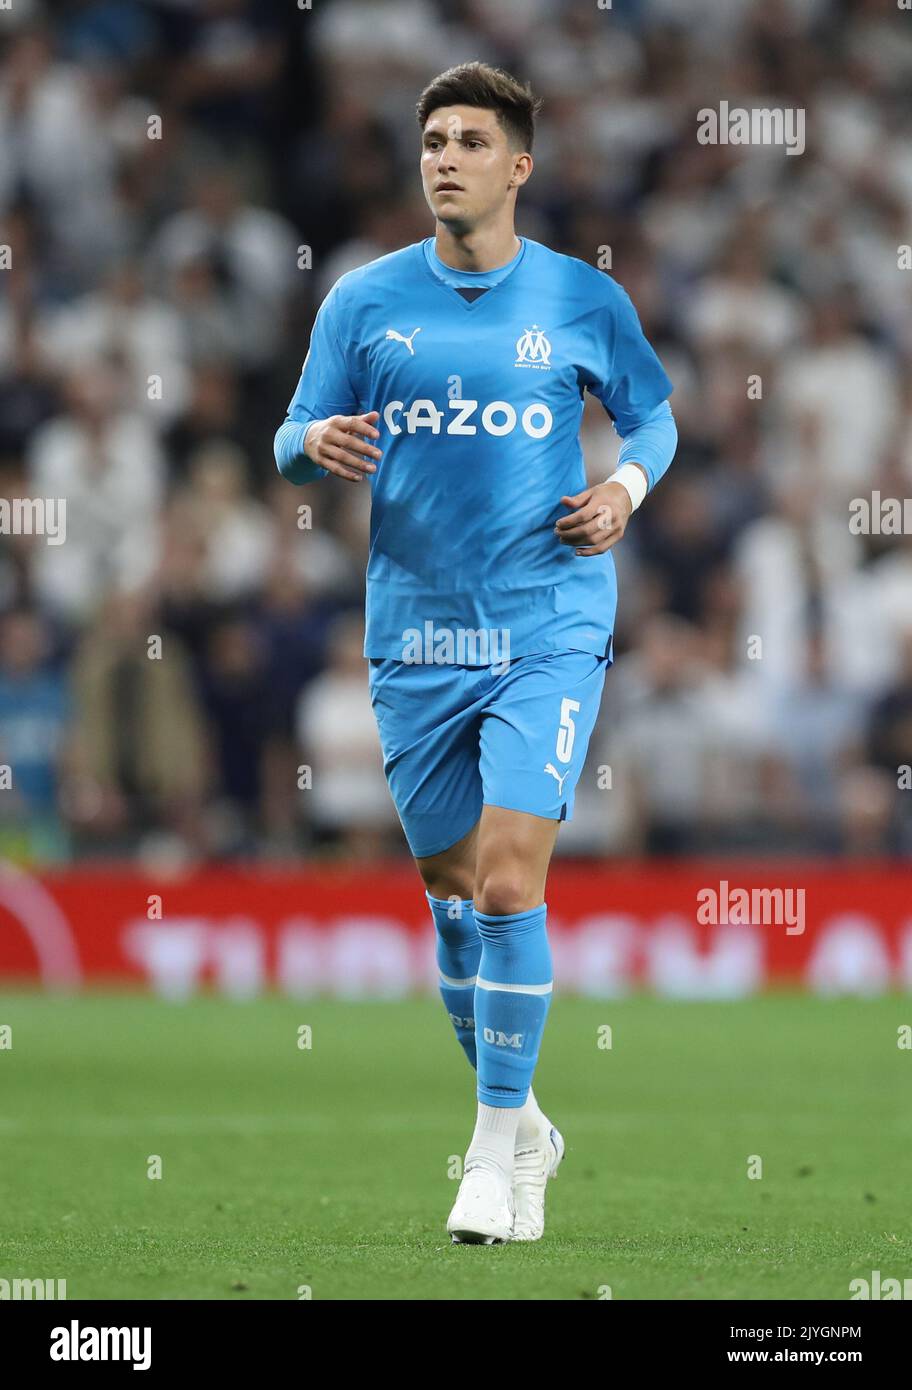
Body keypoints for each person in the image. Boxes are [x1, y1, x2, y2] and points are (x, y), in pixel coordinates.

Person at [274, 62, 677, 1244]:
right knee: (454, 898)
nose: (444, 157)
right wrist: (317, 442)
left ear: (519, 166)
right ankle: (527, 1121)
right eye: (432, 140)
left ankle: (492, 1158)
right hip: (413, 637)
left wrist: (624, 489)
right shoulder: (362, 301)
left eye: (469, 141)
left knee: (510, 879)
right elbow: (291, 434)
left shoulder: (577, 298)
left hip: (547, 619)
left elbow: (652, 411)